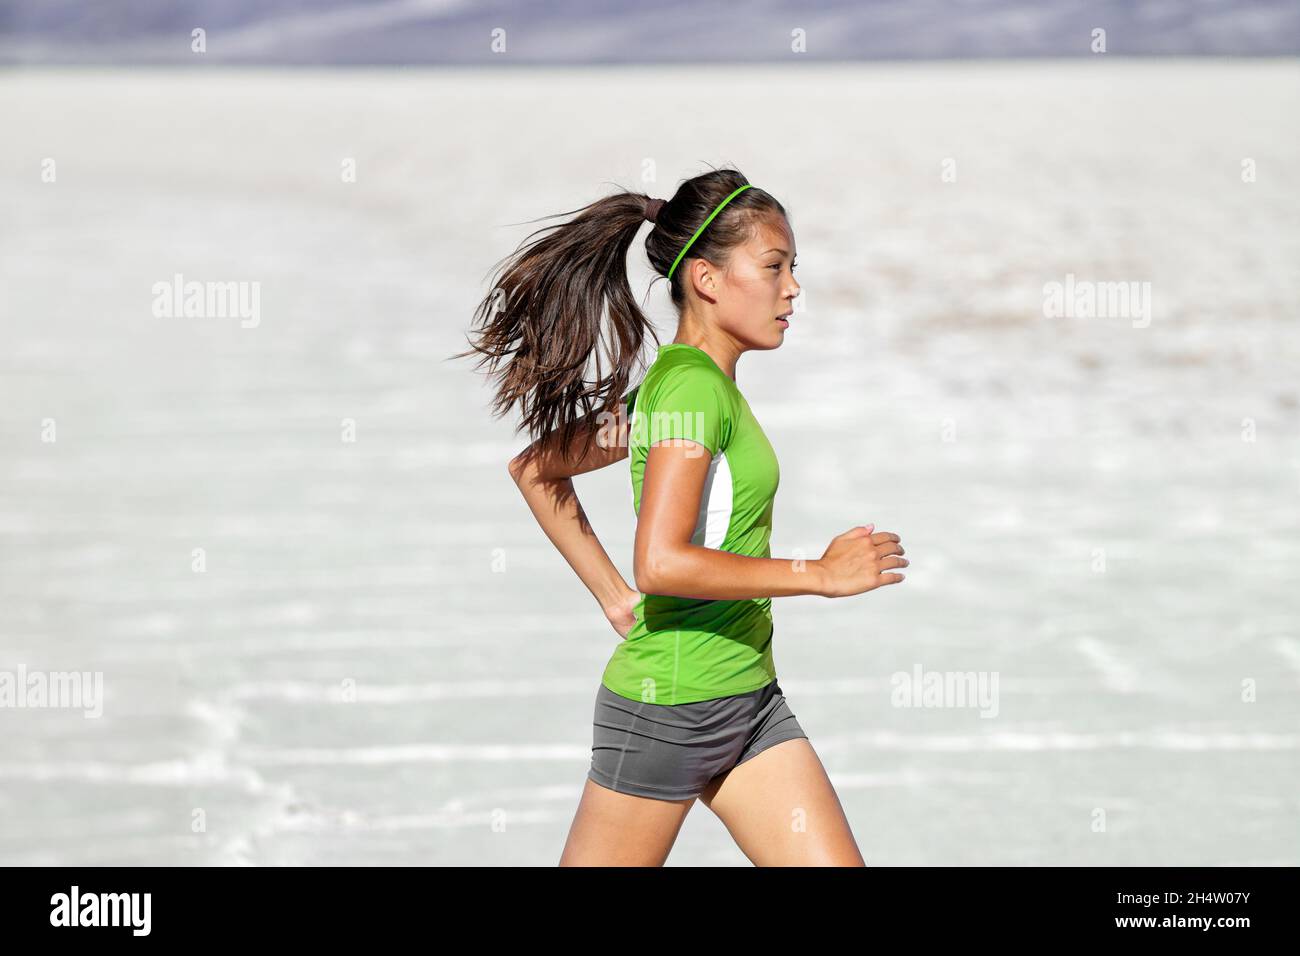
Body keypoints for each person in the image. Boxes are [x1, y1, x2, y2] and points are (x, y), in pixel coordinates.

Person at [457, 166, 907, 866]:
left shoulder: (678, 388)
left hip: (749, 703)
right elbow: (660, 562)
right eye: (774, 266)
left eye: (794, 269)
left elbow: (538, 468)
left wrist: (615, 598)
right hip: (668, 714)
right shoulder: (691, 394)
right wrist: (817, 573)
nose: (793, 289)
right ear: (706, 278)